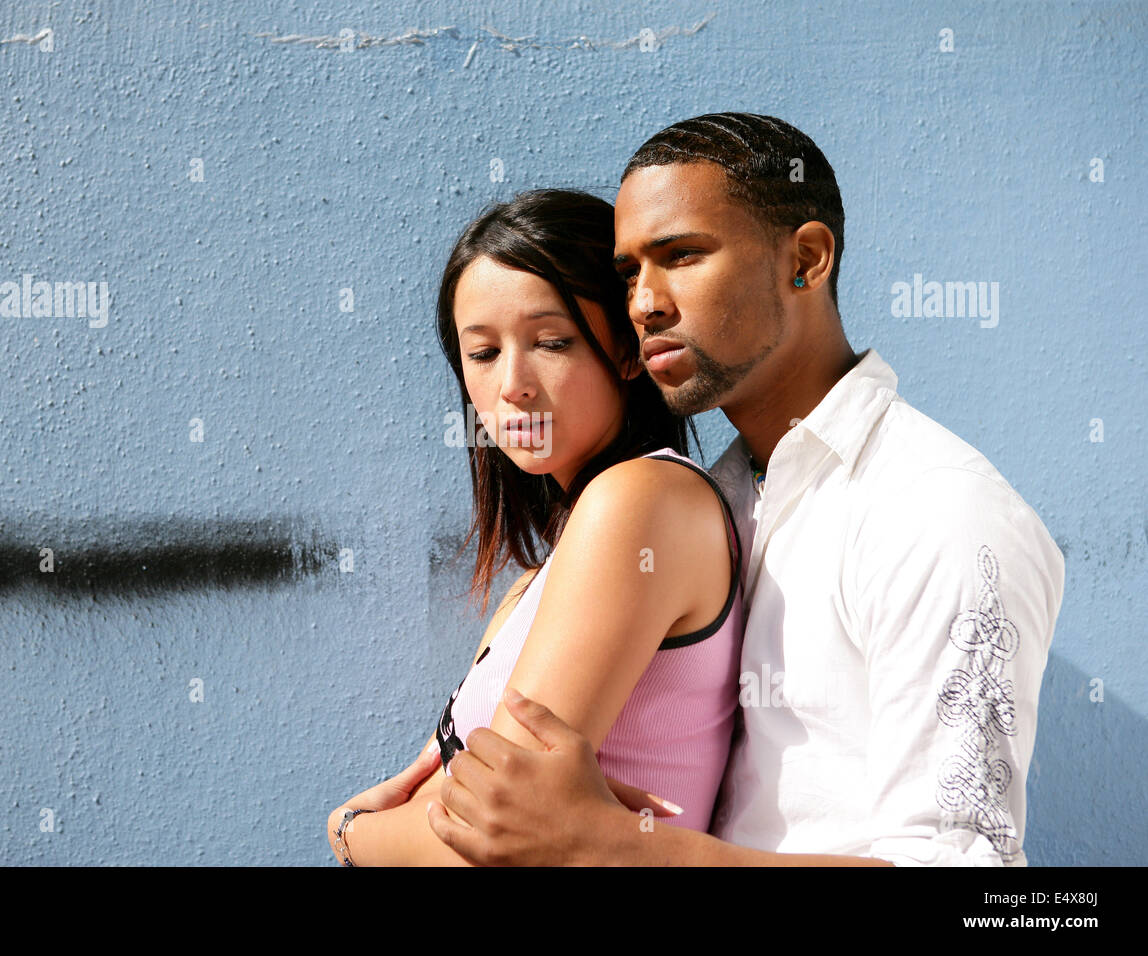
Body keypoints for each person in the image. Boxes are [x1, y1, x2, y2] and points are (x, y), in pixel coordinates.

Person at [414, 113, 1066, 866]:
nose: (644, 304)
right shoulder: (719, 502)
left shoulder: (940, 512)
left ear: (807, 259)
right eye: (629, 273)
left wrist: (619, 847)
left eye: (681, 256)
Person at [325, 188, 746, 865]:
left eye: (551, 341)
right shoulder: (534, 583)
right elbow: (450, 806)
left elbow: (494, 834)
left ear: (629, 352)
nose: (513, 384)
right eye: (483, 353)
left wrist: (347, 829)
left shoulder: (641, 499)